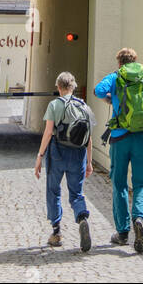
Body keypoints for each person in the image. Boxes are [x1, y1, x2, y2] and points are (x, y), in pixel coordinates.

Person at [94, 47, 143, 253]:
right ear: (135, 60)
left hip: (119, 138)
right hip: (142, 137)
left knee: (119, 184)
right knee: (141, 183)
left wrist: (111, 96)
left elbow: (98, 91)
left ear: (119, 62)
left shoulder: (115, 76)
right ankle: (139, 217)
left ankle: (122, 232)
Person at [34, 72, 95, 252]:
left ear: (58, 87)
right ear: (73, 86)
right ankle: (82, 218)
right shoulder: (84, 106)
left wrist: (40, 155)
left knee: (53, 190)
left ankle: (56, 231)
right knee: (76, 193)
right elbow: (89, 137)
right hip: (78, 154)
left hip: (57, 153)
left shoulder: (54, 105)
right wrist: (89, 162)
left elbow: (48, 132)